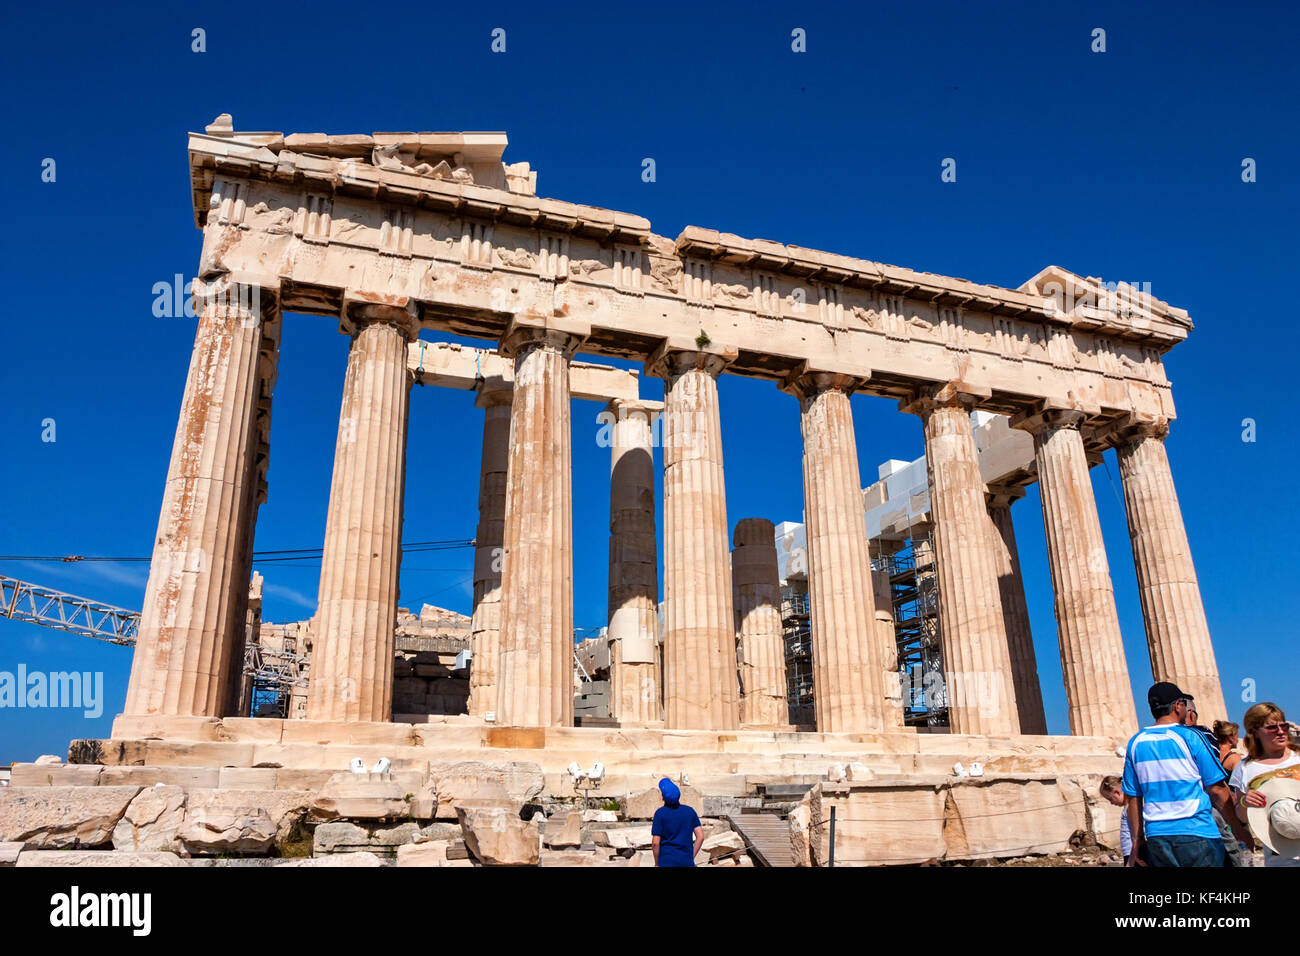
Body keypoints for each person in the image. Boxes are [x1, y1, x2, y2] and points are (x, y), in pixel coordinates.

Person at [1122, 682, 1253, 867]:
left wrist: (1136, 840)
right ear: (1177, 706)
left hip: (1157, 835)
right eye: (1184, 702)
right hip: (1197, 831)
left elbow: (1133, 797)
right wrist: (1238, 829)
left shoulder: (1135, 742)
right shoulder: (1191, 736)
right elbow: (1217, 789)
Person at [1229, 702, 1300, 868]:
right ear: (1255, 732)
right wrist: (1246, 802)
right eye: (1272, 728)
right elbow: (1241, 817)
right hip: (1280, 854)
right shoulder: (1245, 768)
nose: (1281, 731)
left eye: (1283, 725)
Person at [651, 777, 703, 867]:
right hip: (686, 861)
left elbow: (656, 843)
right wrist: (691, 857)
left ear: (663, 797)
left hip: (666, 861)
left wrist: (656, 863)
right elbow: (700, 836)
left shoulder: (660, 814)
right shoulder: (690, 811)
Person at [1100, 776, 1141, 863]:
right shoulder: (1127, 808)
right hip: (1129, 852)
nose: (1111, 803)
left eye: (1110, 799)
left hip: (1133, 853)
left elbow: (1136, 834)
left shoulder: (1130, 809)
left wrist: (1134, 856)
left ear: (1117, 792)